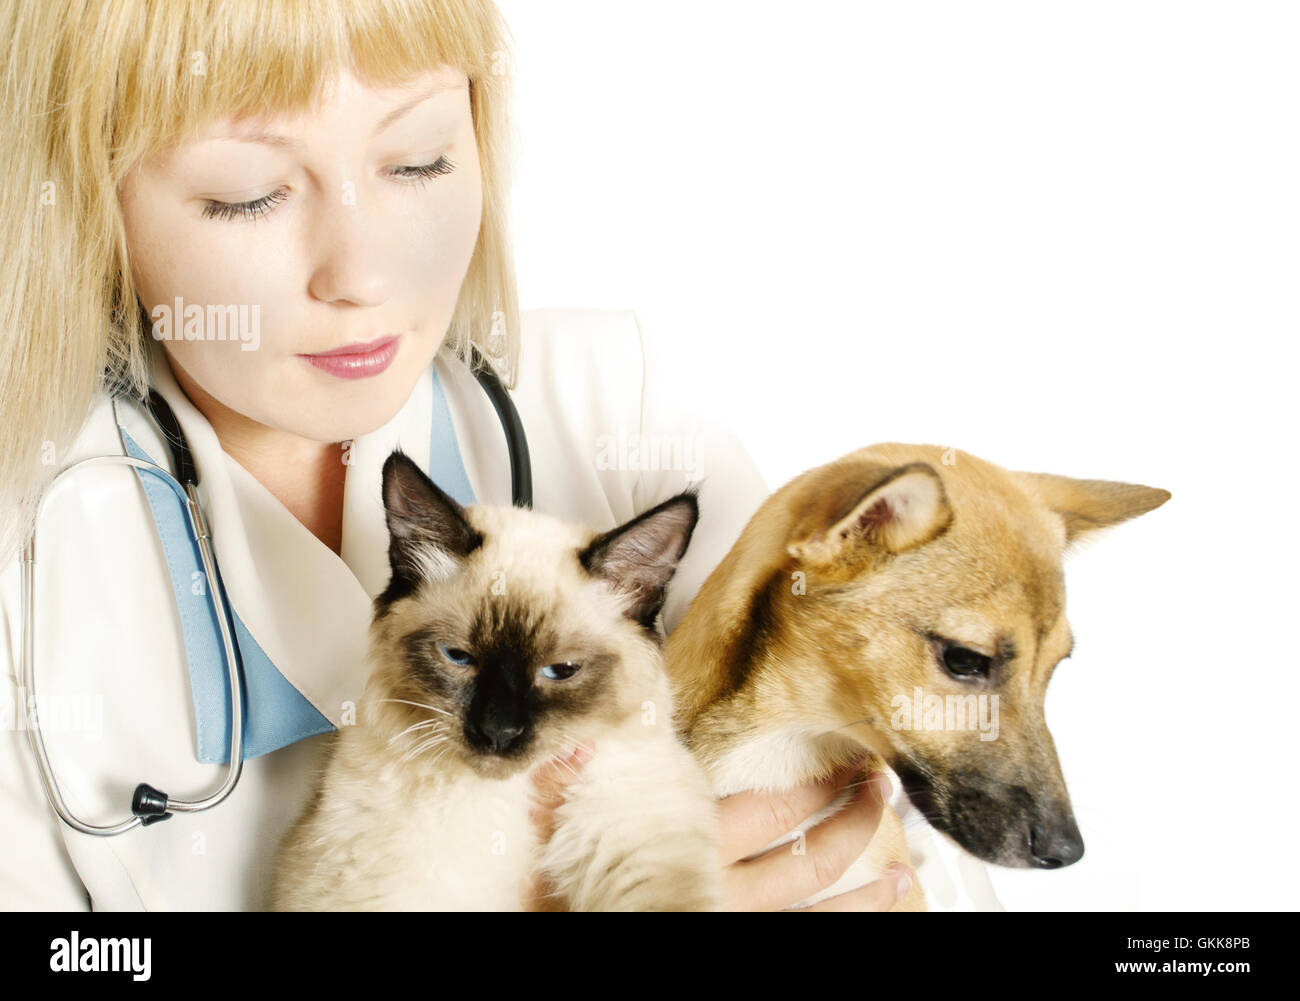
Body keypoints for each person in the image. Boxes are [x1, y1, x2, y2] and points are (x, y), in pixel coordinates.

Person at [0, 0, 1001, 911]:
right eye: (248, 193)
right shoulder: (30, 551)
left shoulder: (620, 409)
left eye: (419, 160)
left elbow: (914, 843)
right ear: (81, 199)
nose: (365, 271)